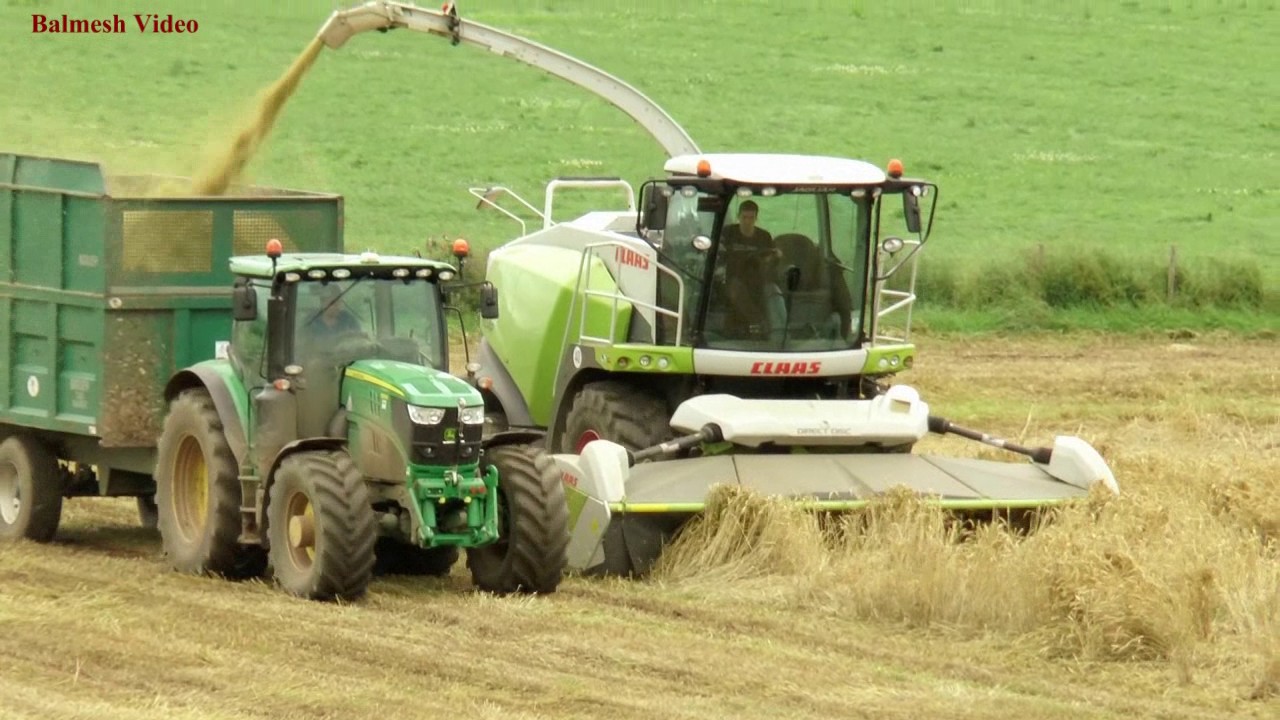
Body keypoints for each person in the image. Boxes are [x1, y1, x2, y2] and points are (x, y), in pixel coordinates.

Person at [720, 201, 785, 338]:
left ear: (756, 218)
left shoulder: (764, 236)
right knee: (736, 288)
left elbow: (771, 257)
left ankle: (780, 329)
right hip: (732, 278)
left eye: (751, 218)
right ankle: (758, 322)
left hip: (757, 279)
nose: (747, 221)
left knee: (772, 291)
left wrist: (776, 256)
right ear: (739, 216)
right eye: (744, 217)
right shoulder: (728, 232)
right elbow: (718, 251)